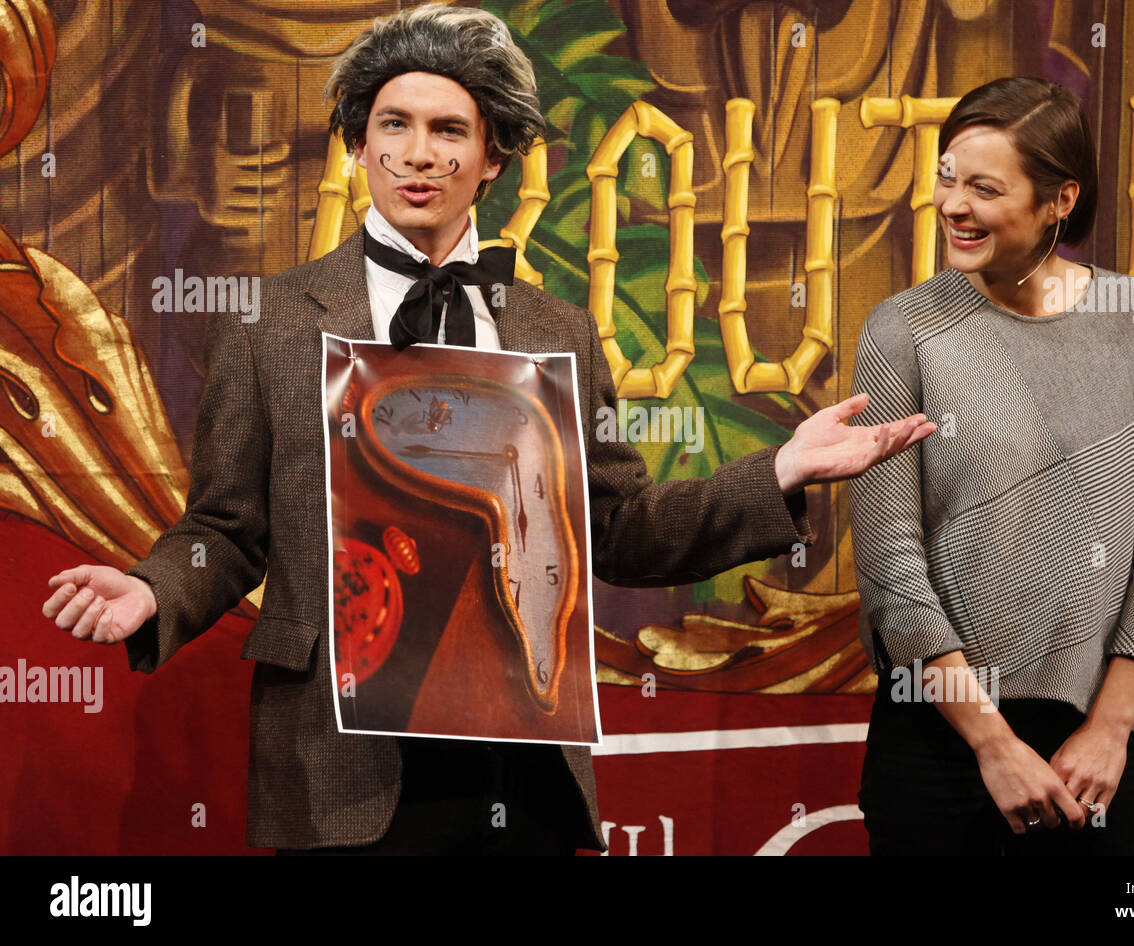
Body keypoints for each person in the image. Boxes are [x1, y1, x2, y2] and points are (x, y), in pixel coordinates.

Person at [40, 4, 934, 855]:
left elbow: (616, 528)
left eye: (449, 131)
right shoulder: (272, 323)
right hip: (349, 766)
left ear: (494, 159)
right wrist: (156, 589)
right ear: (357, 146)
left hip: (523, 760)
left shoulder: (555, 329)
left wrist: (779, 469)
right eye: (392, 125)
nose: (416, 155)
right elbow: (226, 527)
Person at [848, 76, 1134, 855]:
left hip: (1101, 741)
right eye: (947, 176)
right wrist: (991, 744)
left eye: (984, 187)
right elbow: (890, 564)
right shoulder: (902, 331)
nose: (953, 204)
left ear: (1059, 200)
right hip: (940, 736)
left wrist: (1113, 727)